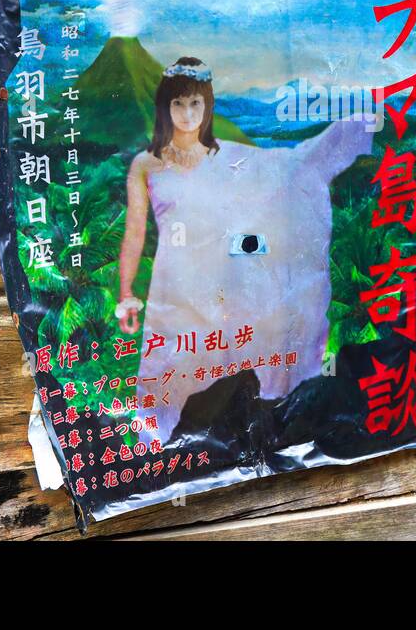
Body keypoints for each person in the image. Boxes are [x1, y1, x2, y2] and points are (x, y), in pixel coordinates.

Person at [117, 57, 374, 444]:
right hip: (173, 283)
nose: (187, 114)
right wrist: (125, 293)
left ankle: (227, 437)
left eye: (195, 104)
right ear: (165, 107)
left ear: (206, 107)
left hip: (220, 281)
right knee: (170, 359)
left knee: (224, 357)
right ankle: (158, 446)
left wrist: (325, 150)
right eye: (178, 104)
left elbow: (283, 173)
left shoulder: (228, 158)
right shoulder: (146, 164)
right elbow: (135, 232)